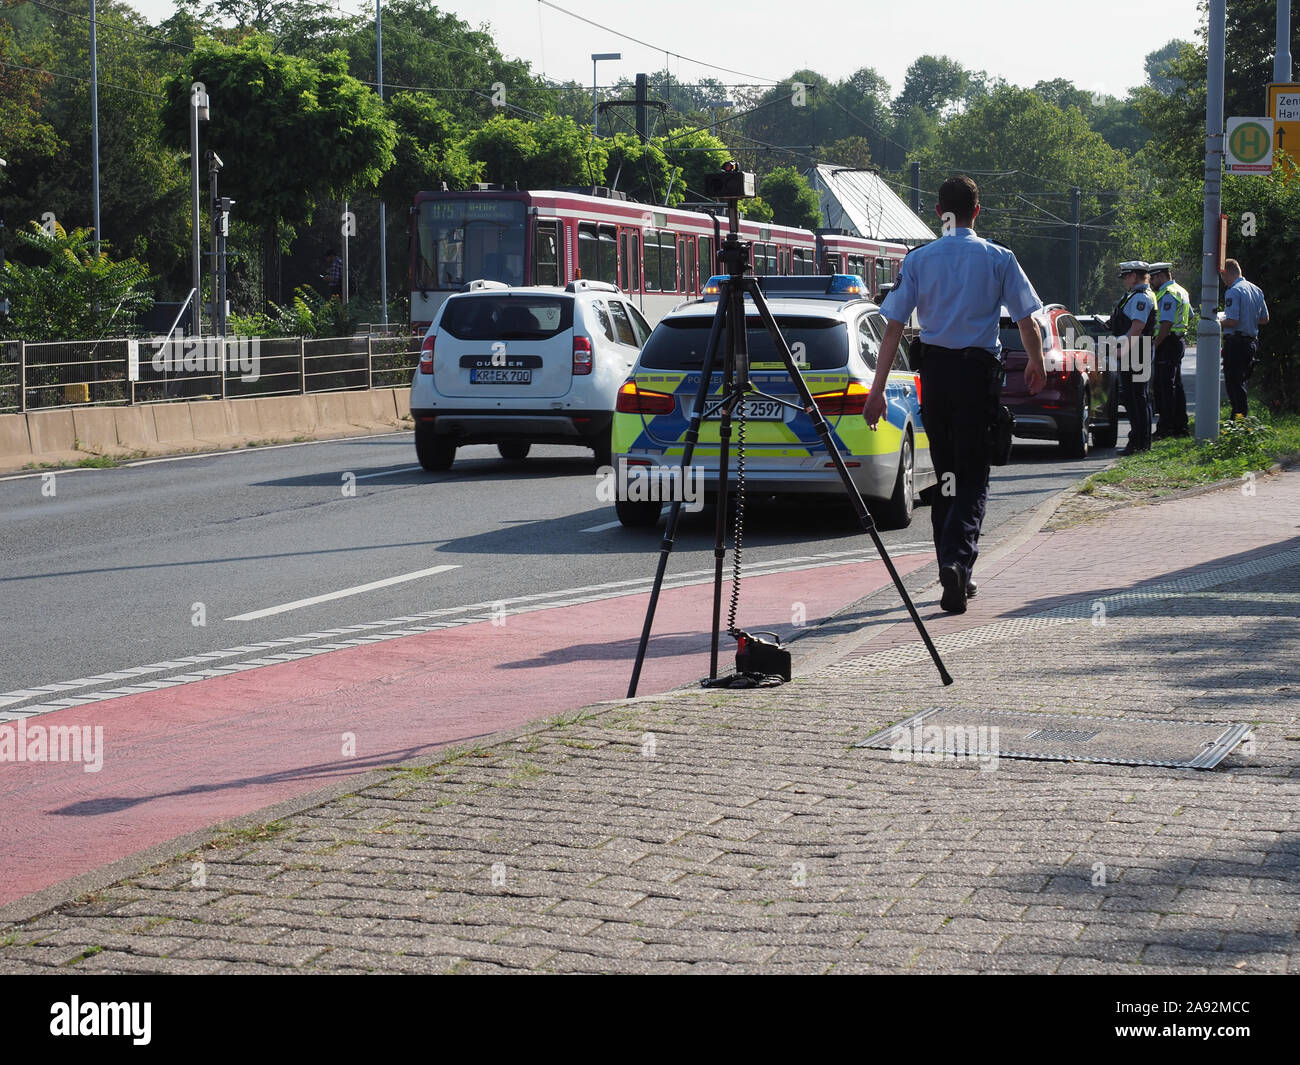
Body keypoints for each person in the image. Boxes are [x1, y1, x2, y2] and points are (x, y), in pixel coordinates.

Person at [865, 175, 1046, 615]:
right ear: (977, 211)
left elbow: (891, 328)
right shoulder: (1000, 258)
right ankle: (958, 560)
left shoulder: (920, 260)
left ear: (938, 212)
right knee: (974, 477)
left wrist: (877, 392)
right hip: (978, 377)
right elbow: (1027, 321)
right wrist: (1037, 363)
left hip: (937, 376)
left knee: (945, 474)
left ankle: (950, 562)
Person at [1107, 261, 1156, 455]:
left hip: (1136, 351)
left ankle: (1139, 443)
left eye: (1126, 276)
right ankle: (1140, 442)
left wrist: (1122, 350)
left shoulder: (1140, 298)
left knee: (1137, 398)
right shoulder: (1134, 296)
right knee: (1136, 397)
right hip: (1137, 349)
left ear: (1134, 276)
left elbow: (1137, 328)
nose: (1124, 279)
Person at [1220, 259, 1269, 418]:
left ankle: (1239, 422)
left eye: (1223, 277)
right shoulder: (1256, 290)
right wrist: (1248, 318)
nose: (1223, 281)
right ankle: (1240, 420)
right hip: (1250, 343)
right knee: (1241, 382)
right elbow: (1264, 318)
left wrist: (1217, 322)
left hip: (1236, 343)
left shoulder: (1233, 291)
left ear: (1226, 272)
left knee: (1234, 384)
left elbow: (1232, 321)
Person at [1149, 262, 1191, 438]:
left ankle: (1165, 428)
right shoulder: (1181, 290)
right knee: (1176, 385)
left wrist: (1154, 345)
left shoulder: (1167, 294)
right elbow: (1190, 315)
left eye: (1152, 278)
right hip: (1177, 340)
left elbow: (1166, 324)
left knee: (1164, 386)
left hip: (1167, 342)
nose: (1151, 282)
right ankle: (1180, 426)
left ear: (1160, 276)